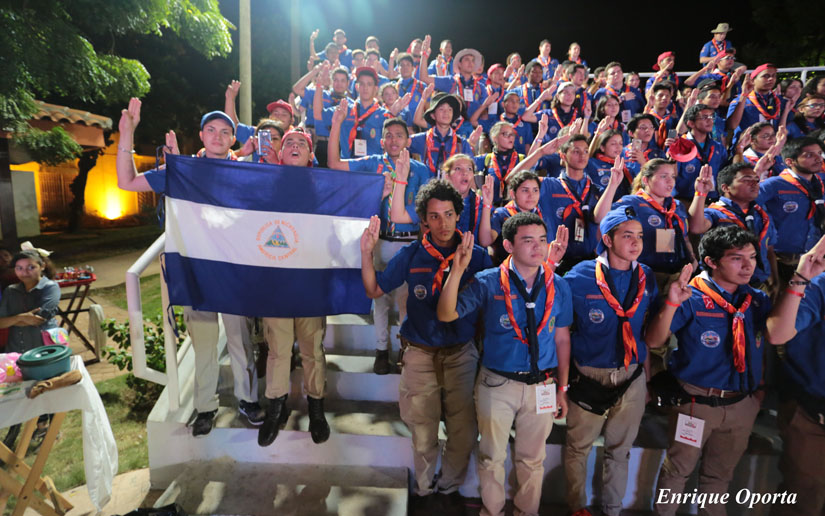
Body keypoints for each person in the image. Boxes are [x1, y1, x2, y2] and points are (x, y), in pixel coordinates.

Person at [115, 99, 264, 436]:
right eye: (211, 130)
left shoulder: (246, 172)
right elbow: (127, 181)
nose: (218, 136)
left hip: (235, 273)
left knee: (240, 341)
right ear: (201, 136)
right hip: (197, 271)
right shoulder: (183, 172)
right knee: (205, 345)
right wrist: (127, 134)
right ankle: (206, 406)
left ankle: (248, 399)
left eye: (225, 132)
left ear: (233, 139)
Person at [361, 179, 492, 513]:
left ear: (458, 215)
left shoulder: (477, 257)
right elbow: (375, 290)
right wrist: (366, 253)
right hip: (420, 352)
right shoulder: (411, 255)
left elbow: (492, 305)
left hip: (461, 352)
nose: (442, 223)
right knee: (422, 430)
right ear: (424, 221)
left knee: (464, 431)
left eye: (448, 214)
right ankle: (424, 488)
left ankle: (449, 486)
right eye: (434, 216)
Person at [436, 211, 570, 516]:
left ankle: (526, 512)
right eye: (528, 241)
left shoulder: (558, 285)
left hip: (542, 385)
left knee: (532, 460)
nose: (538, 247)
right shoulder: (489, 281)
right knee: (491, 457)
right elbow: (445, 314)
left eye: (542, 240)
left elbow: (562, 339)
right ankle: (492, 510)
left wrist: (562, 388)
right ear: (508, 245)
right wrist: (456, 272)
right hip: (497, 383)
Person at [645, 226, 770, 516]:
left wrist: (759, 392)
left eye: (752, 257)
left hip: (741, 404)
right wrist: (672, 303)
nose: (748, 265)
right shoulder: (691, 296)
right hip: (696, 402)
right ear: (711, 262)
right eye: (737, 258)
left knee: (719, 477)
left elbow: (764, 345)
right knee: (677, 470)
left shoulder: (756, 300)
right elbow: (653, 340)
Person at [563, 207, 658, 516]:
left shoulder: (646, 276)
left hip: (631, 375)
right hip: (589, 374)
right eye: (627, 236)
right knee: (578, 447)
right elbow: (560, 330)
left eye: (639, 236)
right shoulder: (579, 277)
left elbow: (644, 331)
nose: (636, 242)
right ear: (607, 239)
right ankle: (576, 506)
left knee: (620, 451)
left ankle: (612, 509)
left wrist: (646, 378)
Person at [328, 109, 429, 374]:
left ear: (408, 140)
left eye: (399, 135)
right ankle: (381, 350)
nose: (394, 140)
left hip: (409, 242)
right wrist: (336, 124)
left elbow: (425, 209)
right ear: (381, 141)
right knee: (380, 299)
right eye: (389, 136)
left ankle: (406, 349)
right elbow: (335, 164)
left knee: (406, 299)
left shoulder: (421, 170)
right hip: (380, 240)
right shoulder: (372, 163)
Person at [764, 235, 825, 516]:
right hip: (811, 415)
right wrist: (801, 278)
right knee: (802, 501)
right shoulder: (819, 285)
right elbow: (777, 333)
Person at [597, 158, 697, 291]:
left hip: (676, 274)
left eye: (673, 176)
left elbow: (685, 237)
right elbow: (600, 218)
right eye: (664, 176)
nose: (670, 181)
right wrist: (613, 185)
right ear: (646, 180)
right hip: (643, 275)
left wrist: (692, 258)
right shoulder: (632, 202)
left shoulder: (677, 206)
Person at [690, 163, 778, 290]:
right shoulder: (715, 213)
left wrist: (775, 279)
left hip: (759, 284)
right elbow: (696, 228)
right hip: (724, 286)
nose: (754, 184)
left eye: (756, 180)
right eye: (746, 180)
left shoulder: (761, 214)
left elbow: (769, 249)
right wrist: (701, 193)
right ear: (726, 187)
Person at [758, 136, 825, 284]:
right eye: (809, 155)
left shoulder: (819, 185)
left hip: (814, 258)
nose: (818, 158)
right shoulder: (774, 184)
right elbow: (745, 202)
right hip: (782, 260)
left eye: (820, 153)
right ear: (790, 161)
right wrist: (757, 171)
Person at [537, 134, 603, 274]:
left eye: (586, 151)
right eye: (576, 151)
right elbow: (514, 179)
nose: (582, 155)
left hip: (590, 262)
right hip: (557, 261)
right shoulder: (548, 186)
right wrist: (540, 152)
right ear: (563, 155)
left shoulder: (598, 191)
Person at [316, 66, 407, 160]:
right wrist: (319, 86)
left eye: (369, 84)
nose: (365, 88)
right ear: (357, 87)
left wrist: (393, 114)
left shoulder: (383, 114)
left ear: (375, 89)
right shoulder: (345, 109)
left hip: (372, 166)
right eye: (362, 84)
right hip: (347, 165)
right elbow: (318, 115)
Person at [0, 249, 60, 354]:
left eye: (31, 267)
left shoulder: (50, 287)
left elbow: (38, 319)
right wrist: (20, 317)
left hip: (45, 349)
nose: (25, 272)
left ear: (42, 266)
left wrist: (11, 320)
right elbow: (1, 323)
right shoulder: (10, 290)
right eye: (19, 268)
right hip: (16, 350)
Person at [480, 170, 542, 264]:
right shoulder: (502, 214)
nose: (531, 195)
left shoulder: (542, 214)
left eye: (535, 190)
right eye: (525, 190)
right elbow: (485, 241)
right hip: (507, 268)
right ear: (513, 194)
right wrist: (487, 205)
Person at [727, 63, 796, 146]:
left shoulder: (778, 101)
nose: (771, 79)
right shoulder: (741, 100)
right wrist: (744, 95)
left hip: (770, 147)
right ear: (753, 80)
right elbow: (732, 125)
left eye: (774, 76)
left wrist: (786, 111)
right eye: (766, 76)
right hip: (746, 147)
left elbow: (781, 129)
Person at [408, 89, 474, 176]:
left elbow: (470, 171)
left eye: (450, 109)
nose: (446, 112)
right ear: (433, 115)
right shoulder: (421, 139)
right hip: (427, 183)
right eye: (441, 109)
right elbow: (398, 147)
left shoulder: (462, 144)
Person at [673, 104, 728, 202]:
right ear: (691, 123)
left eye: (711, 116)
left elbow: (723, 174)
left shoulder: (718, 147)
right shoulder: (679, 146)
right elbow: (673, 175)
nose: (710, 120)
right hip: (686, 201)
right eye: (705, 117)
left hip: (713, 199)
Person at [475, 120, 526, 205]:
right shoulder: (486, 159)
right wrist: (471, 143)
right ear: (494, 138)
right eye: (505, 134)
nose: (510, 137)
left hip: (515, 208)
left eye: (512, 134)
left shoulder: (521, 159)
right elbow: (463, 163)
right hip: (492, 207)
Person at [587, 129, 631, 197]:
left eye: (621, 143)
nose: (618, 147)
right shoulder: (592, 163)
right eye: (613, 144)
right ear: (602, 147)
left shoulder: (624, 165)